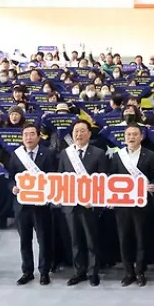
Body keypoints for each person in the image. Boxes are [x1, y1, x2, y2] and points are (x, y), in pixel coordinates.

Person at [59, 120, 108, 287]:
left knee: (92, 240)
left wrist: (93, 200)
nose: (78, 134)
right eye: (76, 131)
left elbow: (103, 180)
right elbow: (60, 177)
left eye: (82, 131)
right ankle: (79, 272)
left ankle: (93, 272)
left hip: (89, 205)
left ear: (89, 134)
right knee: (75, 241)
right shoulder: (65, 153)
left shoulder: (98, 153)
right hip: (71, 205)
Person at [110, 124, 154, 287]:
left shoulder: (150, 155)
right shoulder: (117, 156)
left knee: (141, 238)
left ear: (141, 136)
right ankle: (128, 272)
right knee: (124, 239)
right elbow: (111, 178)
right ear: (124, 138)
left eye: (135, 134)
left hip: (142, 204)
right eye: (129, 134)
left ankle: (140, 272)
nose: (131, 137)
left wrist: (152, 185)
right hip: (122, 205)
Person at [8, 123, 56, 286]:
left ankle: (44, 272)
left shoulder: (48, 154)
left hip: (41, 205)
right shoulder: (16, 155)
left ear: (38, 136)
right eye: (25, 134)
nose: (28, 137)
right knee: (24, 241)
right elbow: (10, 177)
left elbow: (54, 177)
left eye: (32, 134)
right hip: (22, 206)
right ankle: (27, 272)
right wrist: (12, 187)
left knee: (44, 240)